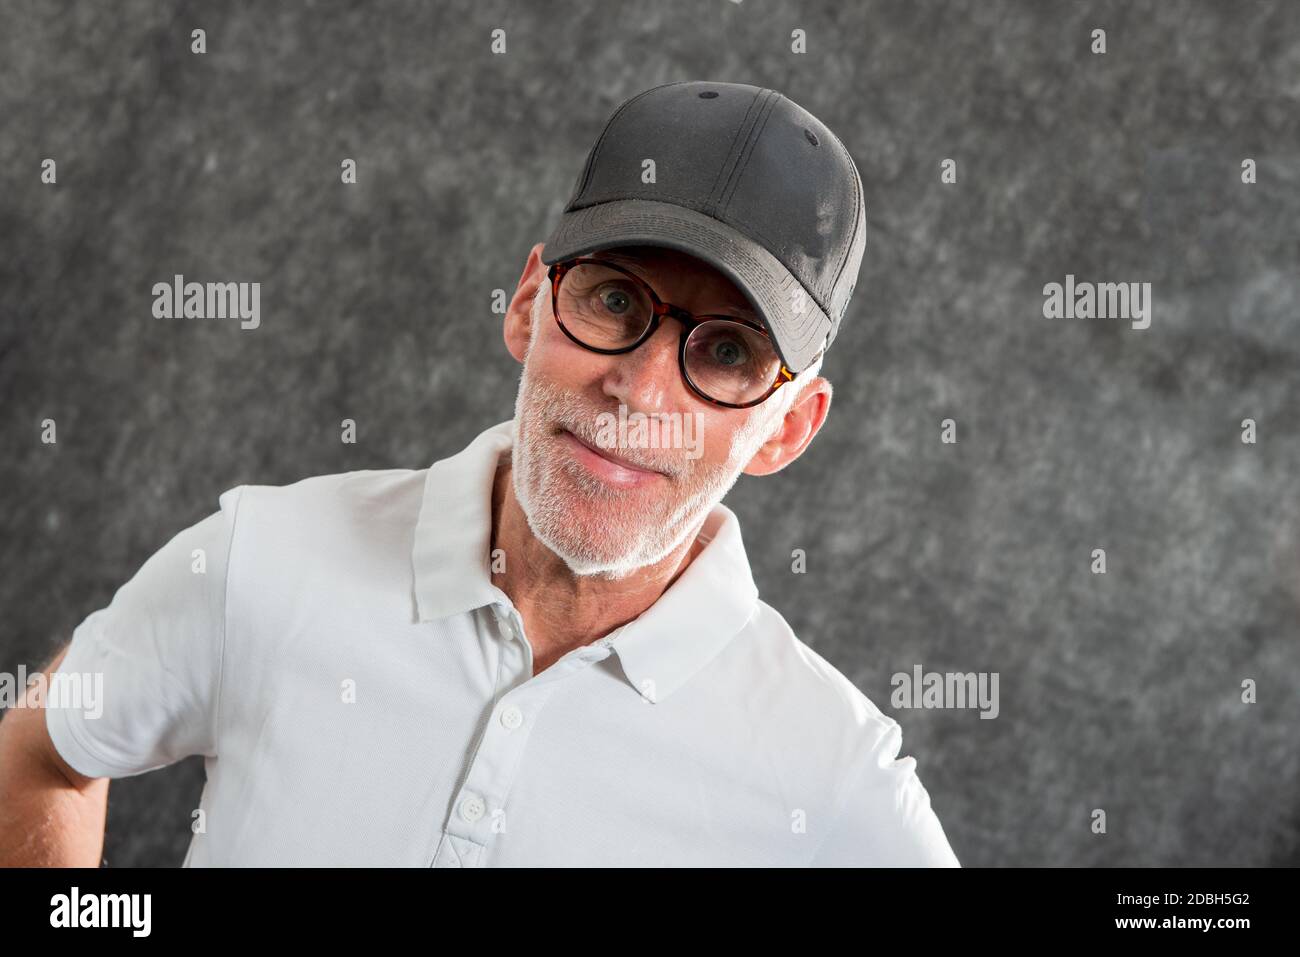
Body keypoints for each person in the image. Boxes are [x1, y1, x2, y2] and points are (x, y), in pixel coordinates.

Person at [0, 80, 959, 866]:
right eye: (616, 297)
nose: (638, 390)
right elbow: (41, 752)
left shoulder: (831, 777)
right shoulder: (260, 561)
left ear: (790, 426)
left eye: (728, 355)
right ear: (529, 303)